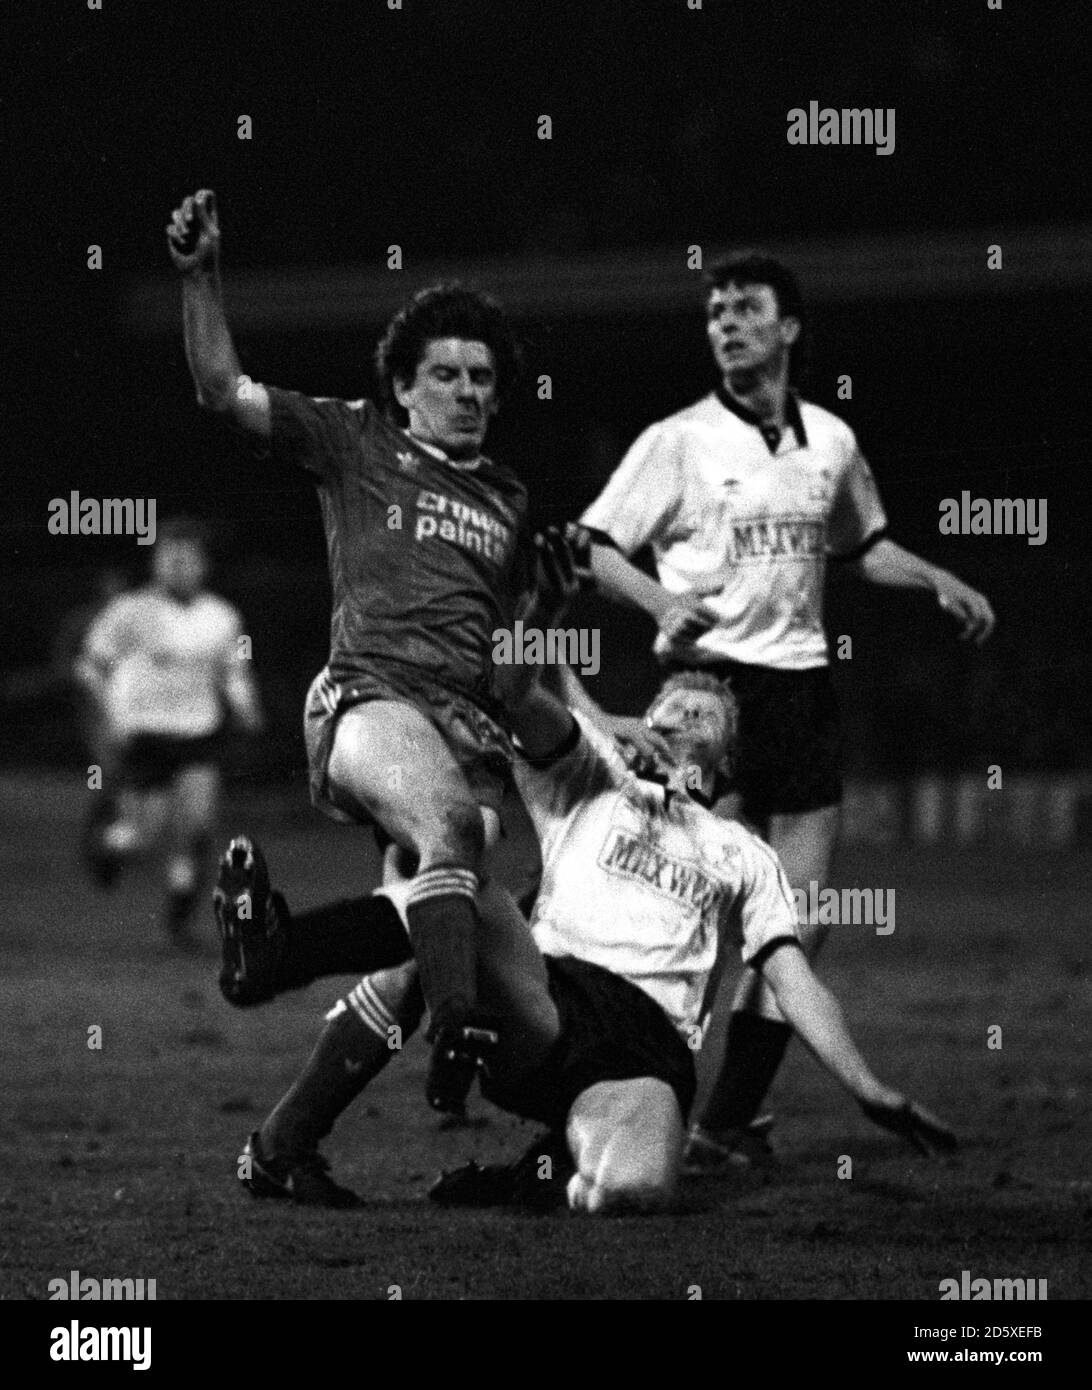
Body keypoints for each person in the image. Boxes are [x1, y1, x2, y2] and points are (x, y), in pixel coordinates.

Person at [215, 549, 956, 1212]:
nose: (679, 716)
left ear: (726, 763)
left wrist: (867, 1087)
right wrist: (544, 606)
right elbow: (513, 687)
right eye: (669, 705)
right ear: (641, 722)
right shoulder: (589, 773)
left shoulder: (742, 852)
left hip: (648, 1048)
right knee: (457, 893)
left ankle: (527, 1179)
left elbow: (793, 981)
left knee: (633, 1193)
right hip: (546, 998)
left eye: (702, 713)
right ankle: (280, 956)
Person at [576, 253, 995, 1171]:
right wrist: (656, 604)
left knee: (800, 919)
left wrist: (936, 577)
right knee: (681, 910)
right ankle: (617, 1090)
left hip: (800, 691)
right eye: (716, 311)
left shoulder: (832, 442)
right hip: (707, 698)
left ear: (791, 328)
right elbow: (591, 545)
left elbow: (863, 543)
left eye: (747, 309)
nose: (727, 323)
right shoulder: (677, 439)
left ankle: (723, 1122)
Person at [167, 188, 536, 1109]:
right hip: (374, 701)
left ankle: (280, 1107)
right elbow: (221, 389)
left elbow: (512, 639)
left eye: (482, 379)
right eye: (445, 376)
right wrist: (201, 275)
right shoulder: (356, 439)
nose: (466, 393)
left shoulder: (509, 501)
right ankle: (461, 1032)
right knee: (446, 840)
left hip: (472, 735)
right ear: (405, 387)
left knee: (430, 919)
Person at [74, 517, 262, 945]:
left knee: (197, 824)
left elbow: (235, 669)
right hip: (145, 734)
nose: (178, 566)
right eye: (169, 557)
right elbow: (88, 667)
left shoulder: (224, 616)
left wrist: (247, 706)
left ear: (204, 564)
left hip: (198, 732)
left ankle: (178, 921)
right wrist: (106, 718)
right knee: (143, 836)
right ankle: (107, 841)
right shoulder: (129, 610)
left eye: (188, 558)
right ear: (156, 562)